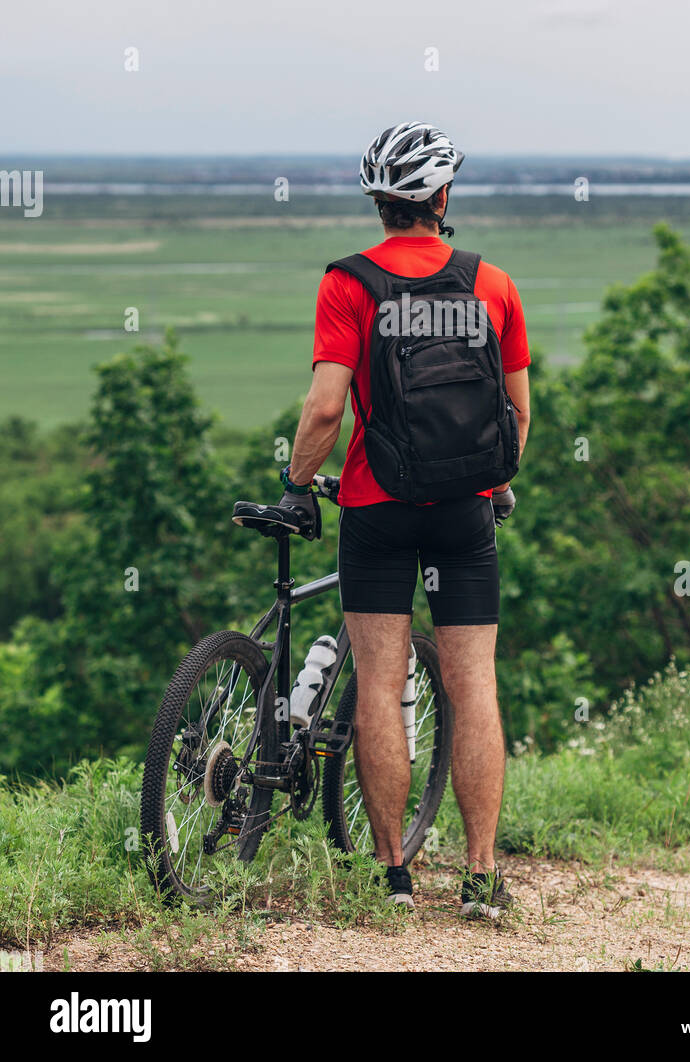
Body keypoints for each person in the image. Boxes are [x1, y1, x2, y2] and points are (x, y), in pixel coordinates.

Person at [278, 122, 531, 917]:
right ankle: (483, 878)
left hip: (376, 509)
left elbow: (325, 407)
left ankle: (393, 877)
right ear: (443, 198)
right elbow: (519, 414)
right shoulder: (492, 284)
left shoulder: (348, 282)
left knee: (380, 688)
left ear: (380, 202)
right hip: (464, 513)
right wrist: (491, 485)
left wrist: (296, 483)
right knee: (473, 685)